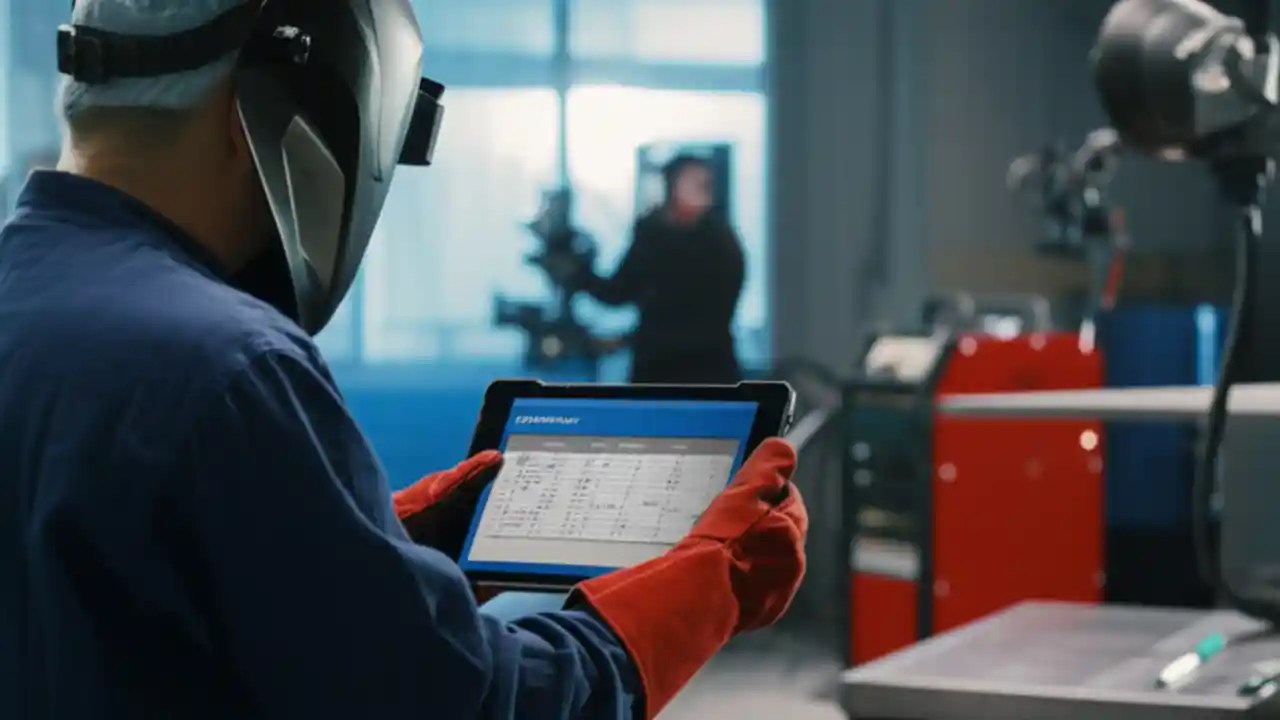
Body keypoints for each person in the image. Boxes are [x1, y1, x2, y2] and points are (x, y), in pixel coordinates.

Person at [0, 2, 807, 720]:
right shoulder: (230, 367)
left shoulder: (36, 302)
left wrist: (371, 537)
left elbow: (128, 586)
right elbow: (473, 702)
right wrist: (708, 580)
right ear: (305, 104)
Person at [580, 155, 747, 384]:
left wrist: (625, 341)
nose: (702, 189)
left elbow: (705, 321)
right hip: (653, 373)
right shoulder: (651, 234)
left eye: (706, 183)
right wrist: (578, 275)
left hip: (706, 374)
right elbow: (619, 290)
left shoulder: (720, 243)